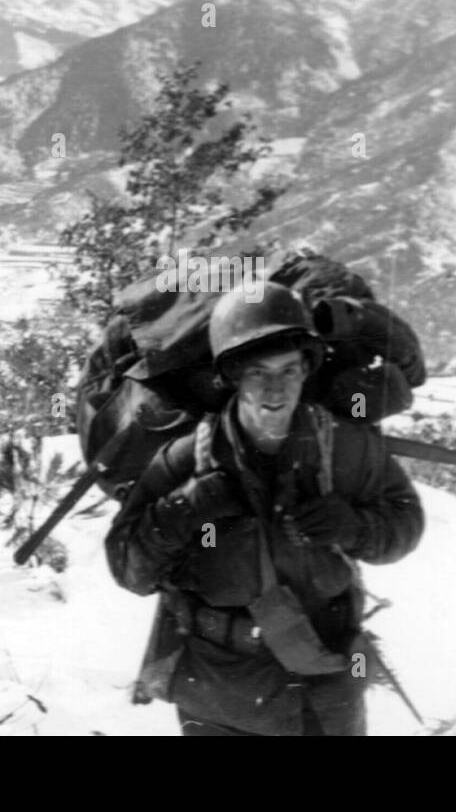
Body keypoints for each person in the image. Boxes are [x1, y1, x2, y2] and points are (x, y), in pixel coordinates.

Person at [105, 282, 424, 736]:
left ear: (306, 371)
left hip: (328, 687)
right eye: (258, 372)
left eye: (289, 371)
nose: (275, 389)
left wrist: (355, 527)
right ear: (232, 376)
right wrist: (189, 507)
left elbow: (406, 521)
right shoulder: (184, 460)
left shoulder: (343, 446)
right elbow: (127, 567)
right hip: (220, 695)